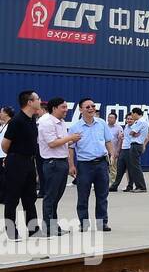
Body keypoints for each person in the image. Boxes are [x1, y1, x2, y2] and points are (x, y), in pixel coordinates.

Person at [68, 98, 113, 231]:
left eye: (93, 106)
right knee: (83, 196)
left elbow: (108, 141)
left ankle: (102, 223)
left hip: (101, 164)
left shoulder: (101, 123)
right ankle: (83, 223)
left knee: (102, 195)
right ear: (81, 110)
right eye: (87, 107)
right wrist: (71, 165)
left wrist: (112, 155)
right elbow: (70, 148)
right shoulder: (75, 128)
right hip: (84, 165)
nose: (91, 109)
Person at [2, 91, 43, 239]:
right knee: (12, 197)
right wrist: (14, 156)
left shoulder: (32, 119)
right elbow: (5, 145)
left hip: (29, 161)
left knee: (30, 197)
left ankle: (33, 229)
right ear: (30, 102)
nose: (40, 101)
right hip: (16, 161)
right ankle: (11, 231)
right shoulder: (17, 121)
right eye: (38, 98)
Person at [37, 97, 79, 235]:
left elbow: (64, 145)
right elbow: (52, 143)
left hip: (61, 163)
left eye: (66, 107)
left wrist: (69, 163)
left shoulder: (60, 122)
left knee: (56, 196)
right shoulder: (46, 122)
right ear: (54, 108)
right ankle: (48, 227)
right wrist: (71, 138)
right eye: (63, 107)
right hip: (52, 163)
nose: (66, 110)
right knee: (50, 196)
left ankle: (54, 225)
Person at [120, 108, 149, 192]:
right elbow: (132, 132)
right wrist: (134, 133)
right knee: (134, 167)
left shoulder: (140, 121)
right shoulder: (141, 121)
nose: (132, 116)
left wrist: (134, 133)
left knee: (136, 167)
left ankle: (141, 187)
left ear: (136, 114)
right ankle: (138, 186)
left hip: (136, 145)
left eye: (132, 114)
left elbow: (131, 132)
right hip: (137, 145)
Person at [105, 112, 124, 190]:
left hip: (114, 151)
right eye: (109, 117)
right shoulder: (104, 126)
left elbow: (120, 140)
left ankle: (113, 184)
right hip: (104, 151)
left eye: (112, 118)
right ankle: (104, 184)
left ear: (115, 119)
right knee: (104, 169)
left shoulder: (119, 128)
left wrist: (117, 151)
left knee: (113, 168)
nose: (110, 119)